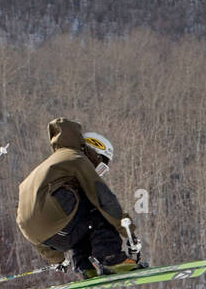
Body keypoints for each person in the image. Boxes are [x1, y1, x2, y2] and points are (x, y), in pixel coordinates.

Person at [15, 118, 143, 280]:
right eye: (101, 166)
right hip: (57, 218)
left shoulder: (46, 168)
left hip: (47, 236)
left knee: (82, 222)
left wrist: (56, 258)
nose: (98, 172)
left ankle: (85, 266)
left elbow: (30, 222)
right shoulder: (76, 157)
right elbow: (104, 199)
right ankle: (111, 260)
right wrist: (129, 233)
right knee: (97, 209)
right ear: (93, 153)